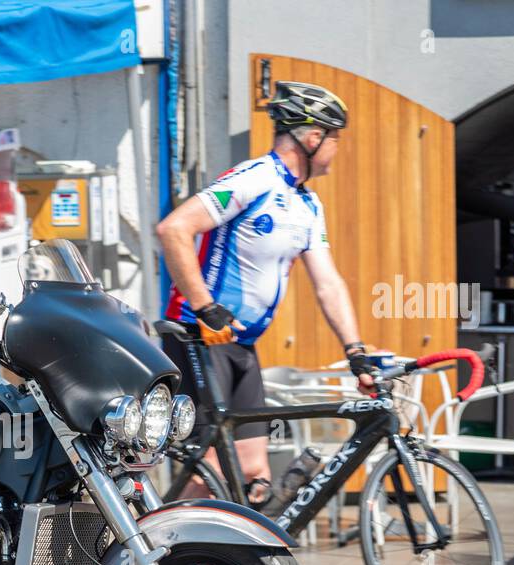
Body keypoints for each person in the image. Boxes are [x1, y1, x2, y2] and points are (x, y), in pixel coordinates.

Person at [156, 80, 377, 504]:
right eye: (335, 139)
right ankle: (151, 556)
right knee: (211, 474)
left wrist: (356, 352)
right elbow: (174, 229)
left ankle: (222, 562)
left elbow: (328, 283)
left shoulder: (308, 206)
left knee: (255, 477)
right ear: (313, 138)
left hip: (242, 345)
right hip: (200, 338)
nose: (337, 148)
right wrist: (206, 306)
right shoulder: (254, 179)